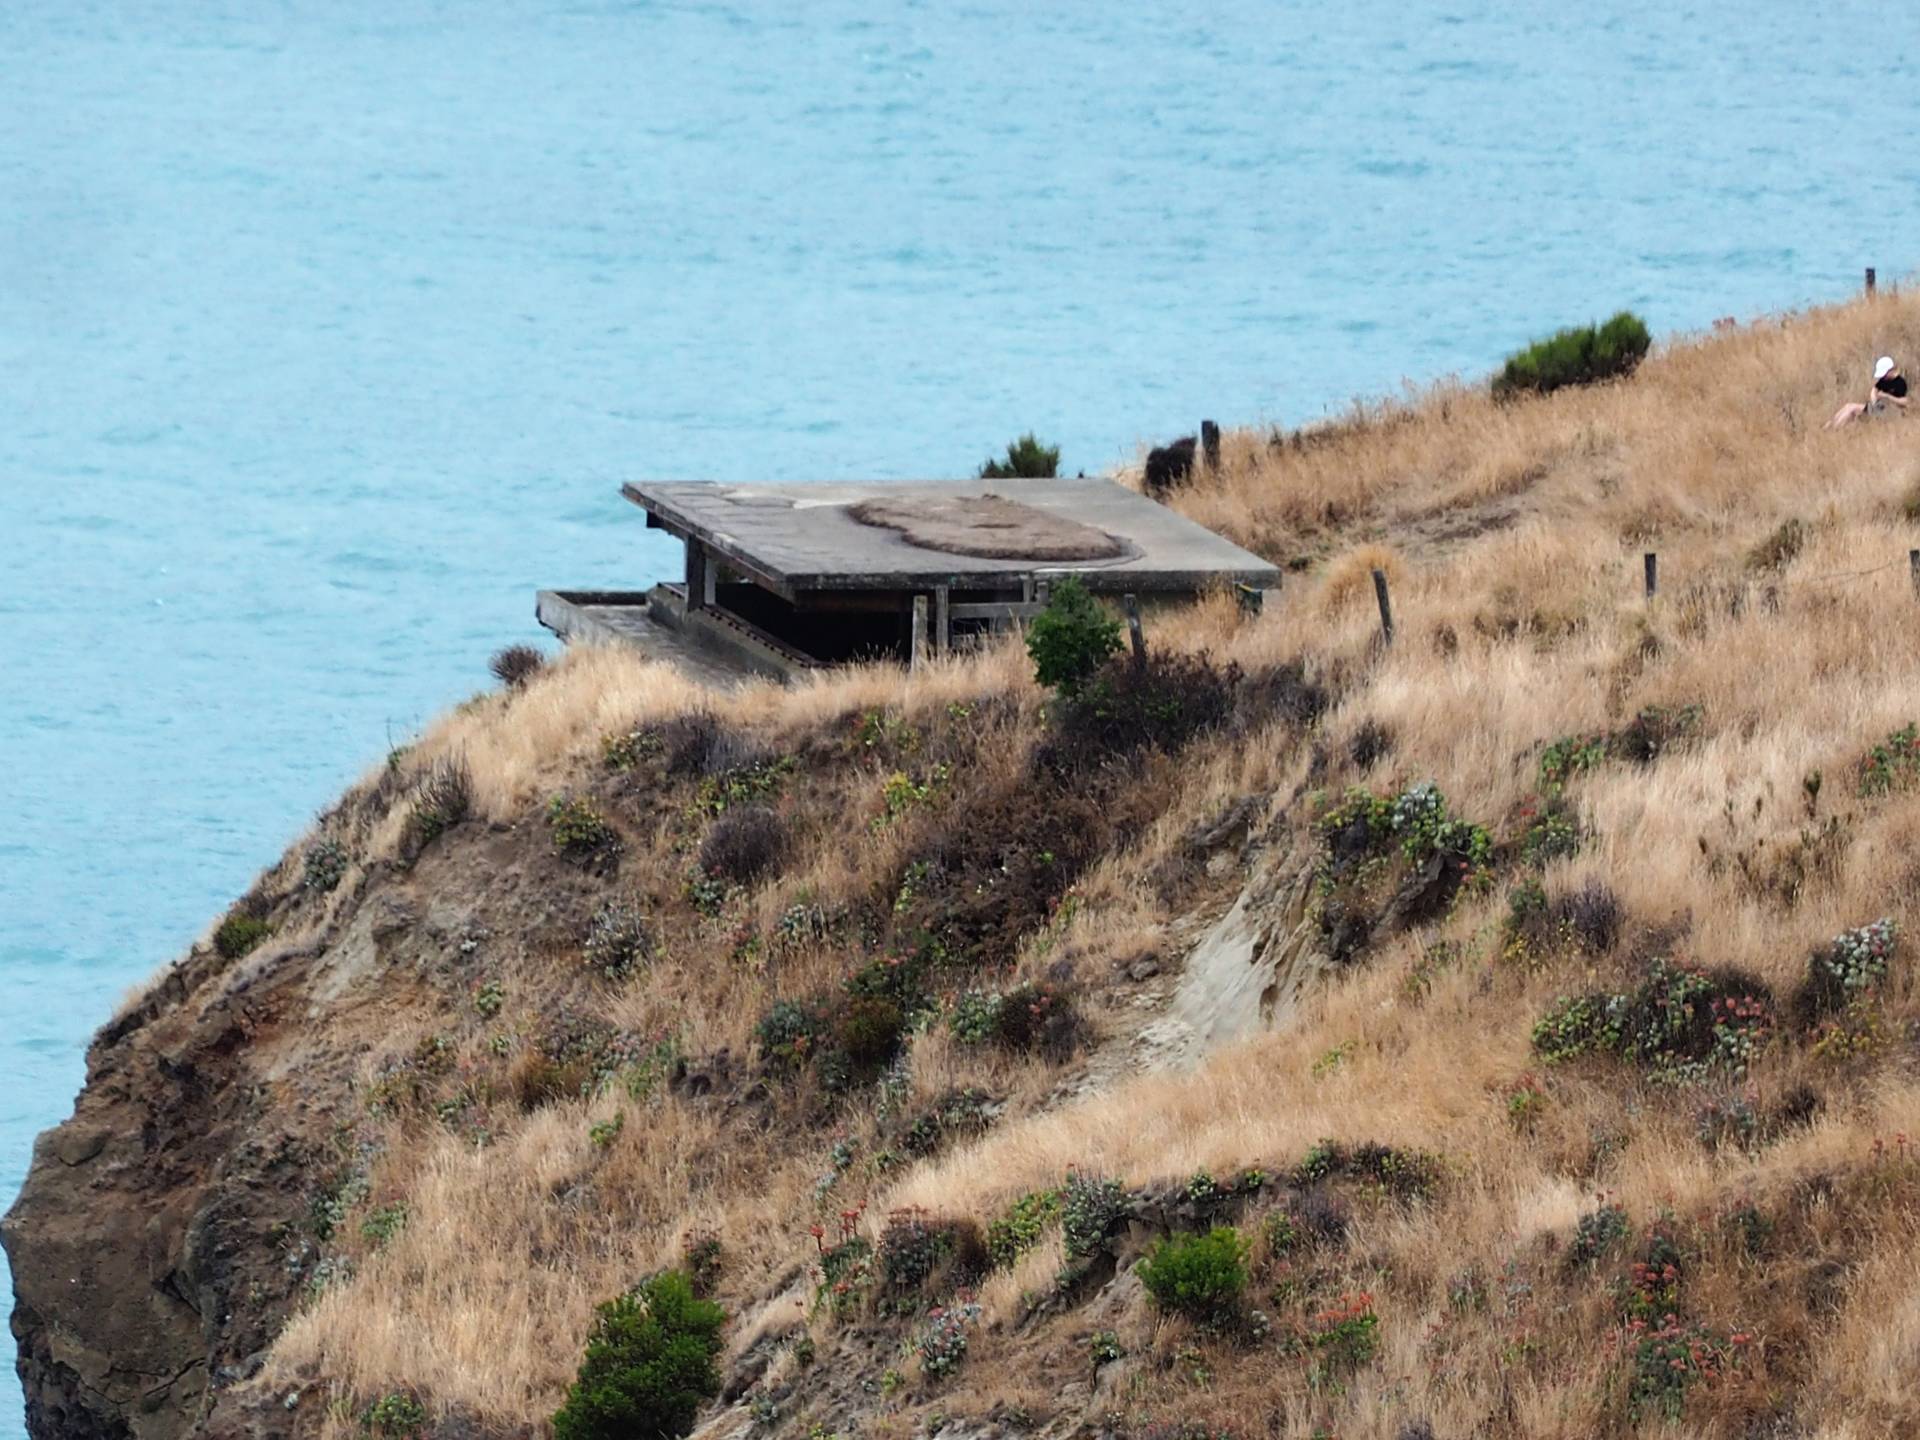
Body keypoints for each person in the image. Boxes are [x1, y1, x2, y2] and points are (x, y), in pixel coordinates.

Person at [1826, 355, 1909, 428]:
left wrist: (1887, 396)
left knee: (1852, 409)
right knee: (1848, 406)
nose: (1883, 377)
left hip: (1888, 412)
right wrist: (1874, 399)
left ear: (1890, 370)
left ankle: (1835, 429)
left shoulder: (1900, 383)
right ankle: (1830, 425)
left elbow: (1904, 402)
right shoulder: (1883, 381)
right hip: (1878, 408)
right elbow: (1874, 389)